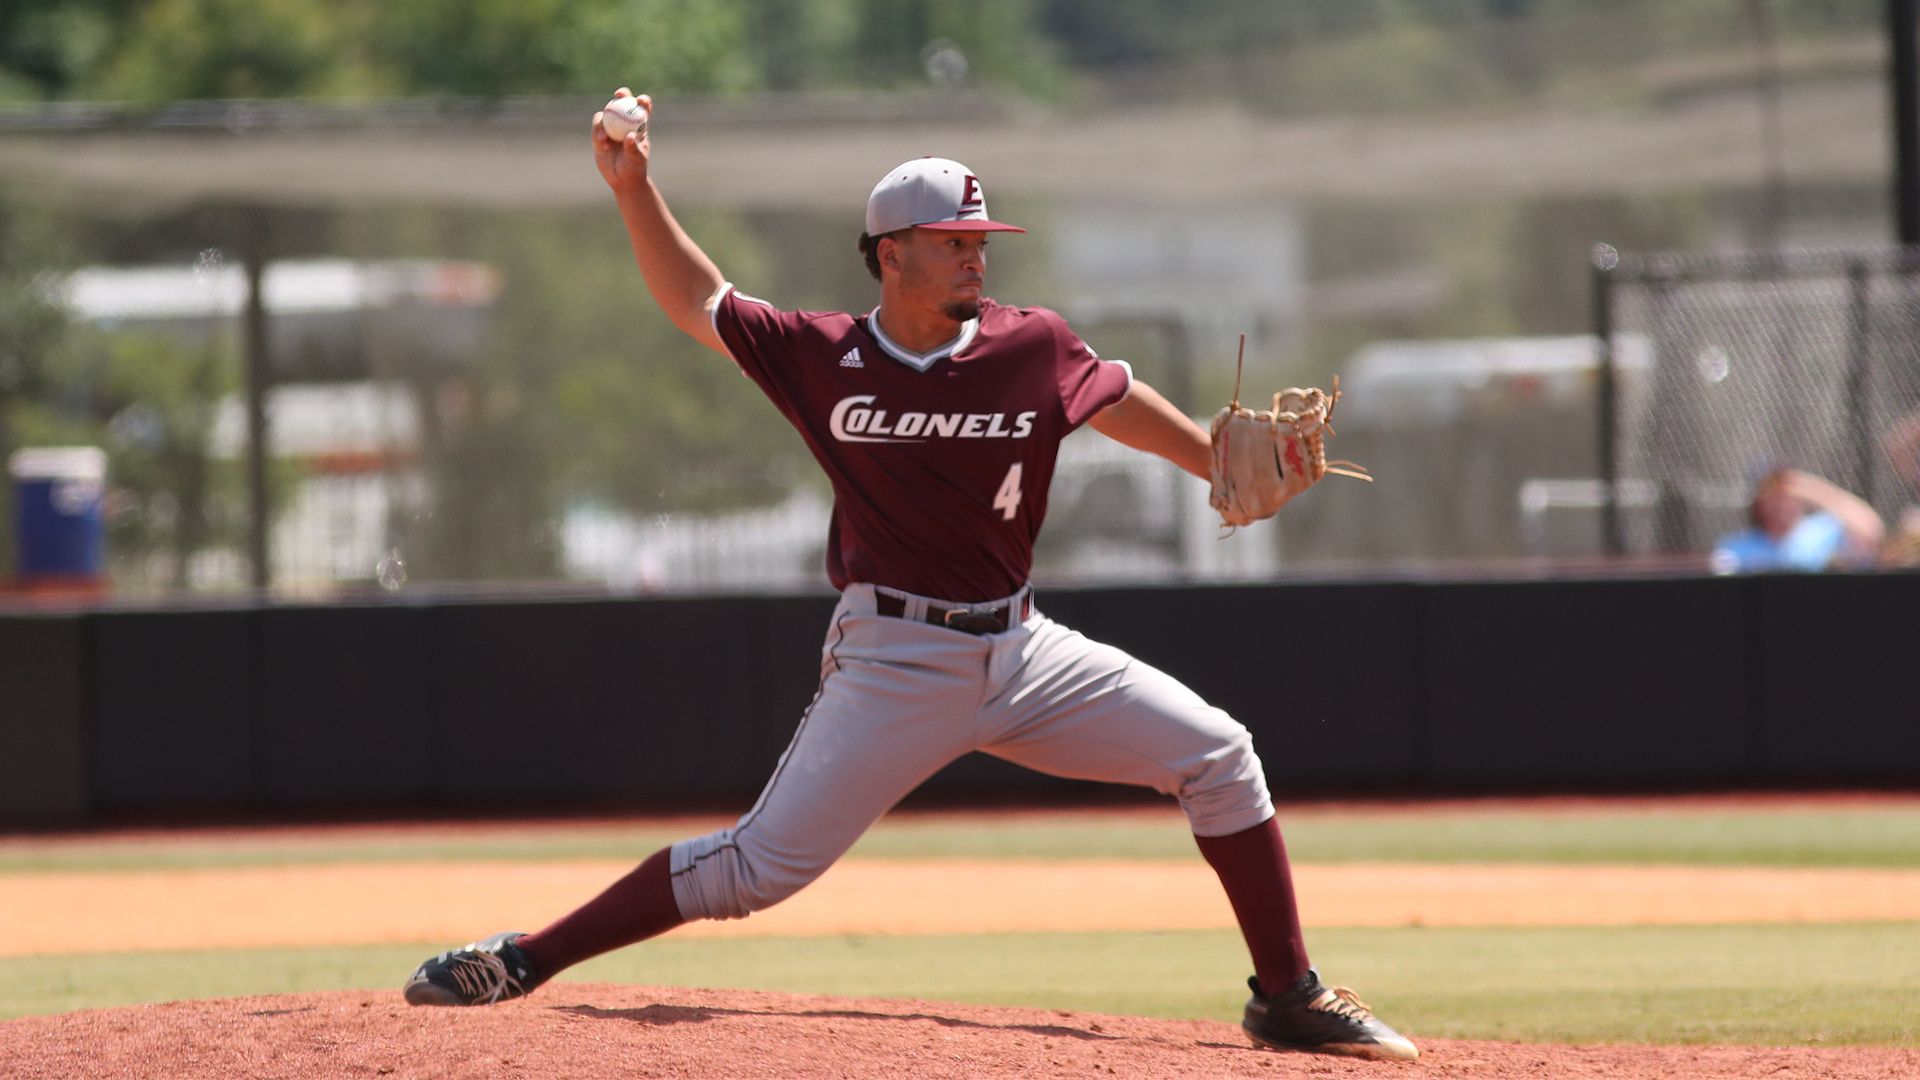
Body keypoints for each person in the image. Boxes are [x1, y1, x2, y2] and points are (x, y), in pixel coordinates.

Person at [399, 89, 1417, 1063]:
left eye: (982, 240)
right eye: (955, 241)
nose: (978, 254)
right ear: (892, 255)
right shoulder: (822, 356)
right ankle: (522, 958)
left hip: (1023, 649)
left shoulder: (1032, 345)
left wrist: (1214, 463)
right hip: (895, 656)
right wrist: (632, 189)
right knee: (754, 871)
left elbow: (1114, 396)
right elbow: (698, 299)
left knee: (1220, 754)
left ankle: (1287, 995)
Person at [1709, 466, 1883, 573]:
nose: (1784, 496)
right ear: (1759, 502)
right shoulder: (1737, 548)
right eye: (1775, 488)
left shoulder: (1821, 531)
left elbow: (1872, 530)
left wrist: (1816, 491)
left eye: (1789, 486)